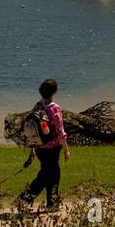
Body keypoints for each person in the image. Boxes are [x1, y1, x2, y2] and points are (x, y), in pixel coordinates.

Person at [17, 79, 70, 210]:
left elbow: (31, 130)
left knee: (48, 174)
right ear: (54, 92)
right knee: (49, 175)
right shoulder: (54, 108)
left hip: (39, 147)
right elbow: (60, 131)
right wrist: (66, 150)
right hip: (52, 148)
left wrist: (32, 149)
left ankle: (51, 203)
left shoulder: (37, 106)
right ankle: (25, 199)